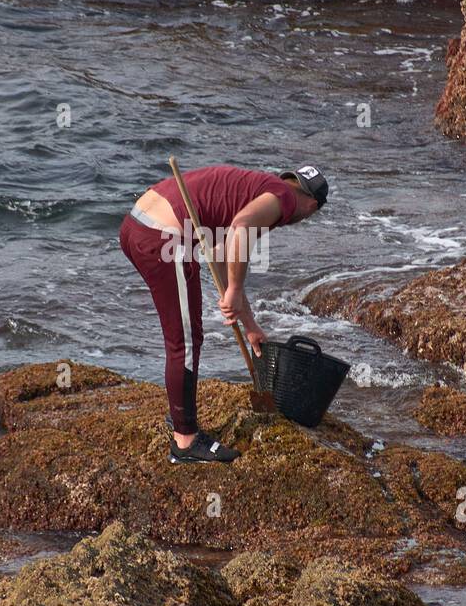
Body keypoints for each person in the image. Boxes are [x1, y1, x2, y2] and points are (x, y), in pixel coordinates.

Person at [119, 164, 328, 464]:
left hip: (135, 227)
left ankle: (180, 415)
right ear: (312, 206)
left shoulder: (255, 187)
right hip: (162, 237)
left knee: (188, 334)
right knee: (186, 341)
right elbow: (242, 228)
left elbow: (218, 250)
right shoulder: (284, 199)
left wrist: (249, 324)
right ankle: (185, 442)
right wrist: (235, 289)